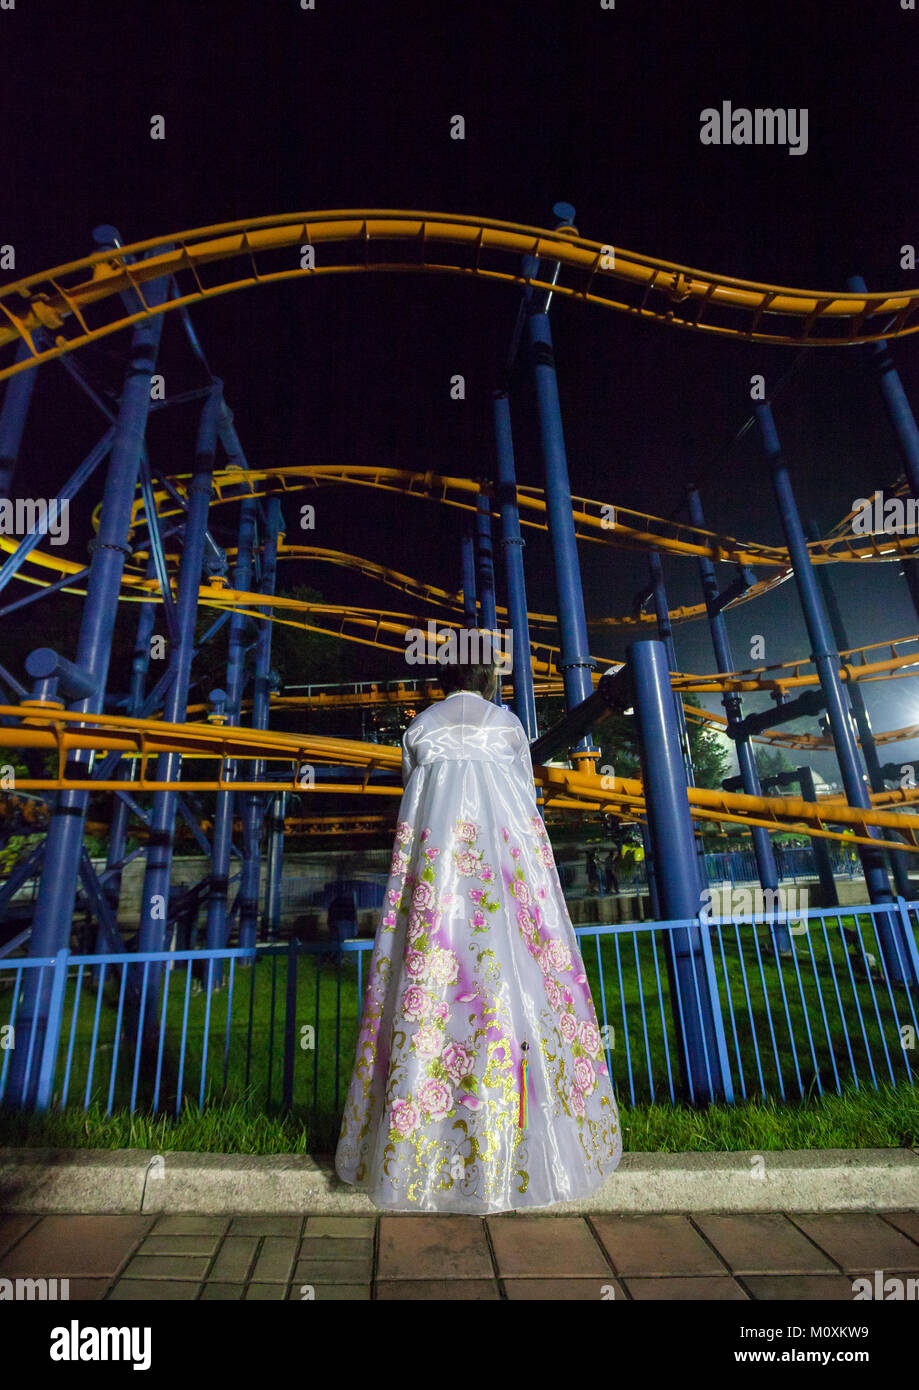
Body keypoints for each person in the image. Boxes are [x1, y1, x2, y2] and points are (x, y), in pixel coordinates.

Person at [334, 655, 623, 1213]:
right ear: (487, 681)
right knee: (523, 992)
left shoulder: (420, 728)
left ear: (443, 682)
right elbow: (521, 797)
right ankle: (529, 1147)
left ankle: (420, 1150)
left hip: (438, 884)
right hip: (505, 875)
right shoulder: (508, 724)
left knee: (428, 995)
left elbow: (411, 803)